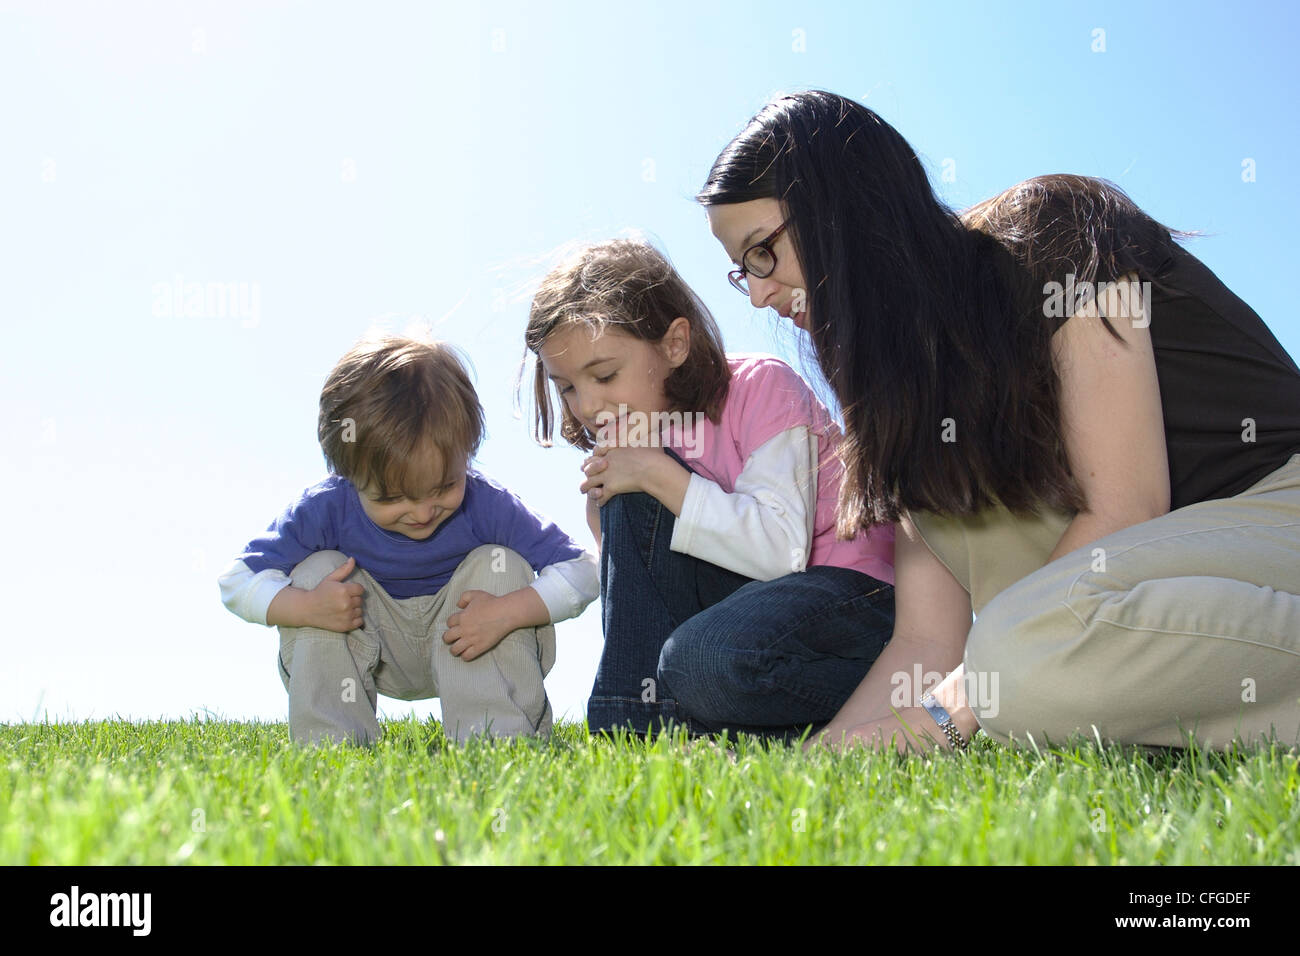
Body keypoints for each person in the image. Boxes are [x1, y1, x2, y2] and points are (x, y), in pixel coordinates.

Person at [697, 90, 1300, 753]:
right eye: (740, 273)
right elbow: (926, 641)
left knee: (1017, 658)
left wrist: (936, 720)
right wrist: (820, 762)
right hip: (1136, 597)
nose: (756, 293)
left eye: (762, 252)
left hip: (1273, 506)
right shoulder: (894, 404)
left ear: (839, 207)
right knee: (1016, 663)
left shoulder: (1046, 232)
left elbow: (1127, 507)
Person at [521, 238, 896, 739]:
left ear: (674, 344)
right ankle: (653, 732)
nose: (587, 404)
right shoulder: (639, 440)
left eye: (605, 374)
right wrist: (611, 509)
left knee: (702, 660)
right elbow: (643, 598)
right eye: (566, 386)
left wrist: (657, 475)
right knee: (695, 662)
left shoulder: (762, 386)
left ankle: (891, 699)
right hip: (751, 609)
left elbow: (780, 551)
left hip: (849, 597)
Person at [218, 334, 599, 746]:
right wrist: (306, 606)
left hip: (470, 637)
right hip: (371, 641)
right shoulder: (325, 507)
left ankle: (497, 741)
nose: (421, 513)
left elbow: (584, 570)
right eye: (391, 497)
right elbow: (236, 580)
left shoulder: (487, 503)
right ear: (349, 475)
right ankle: (330, 749)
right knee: (315, 571)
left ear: (466, 452)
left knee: (498, 562)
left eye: (443, 487)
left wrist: (506, 612)